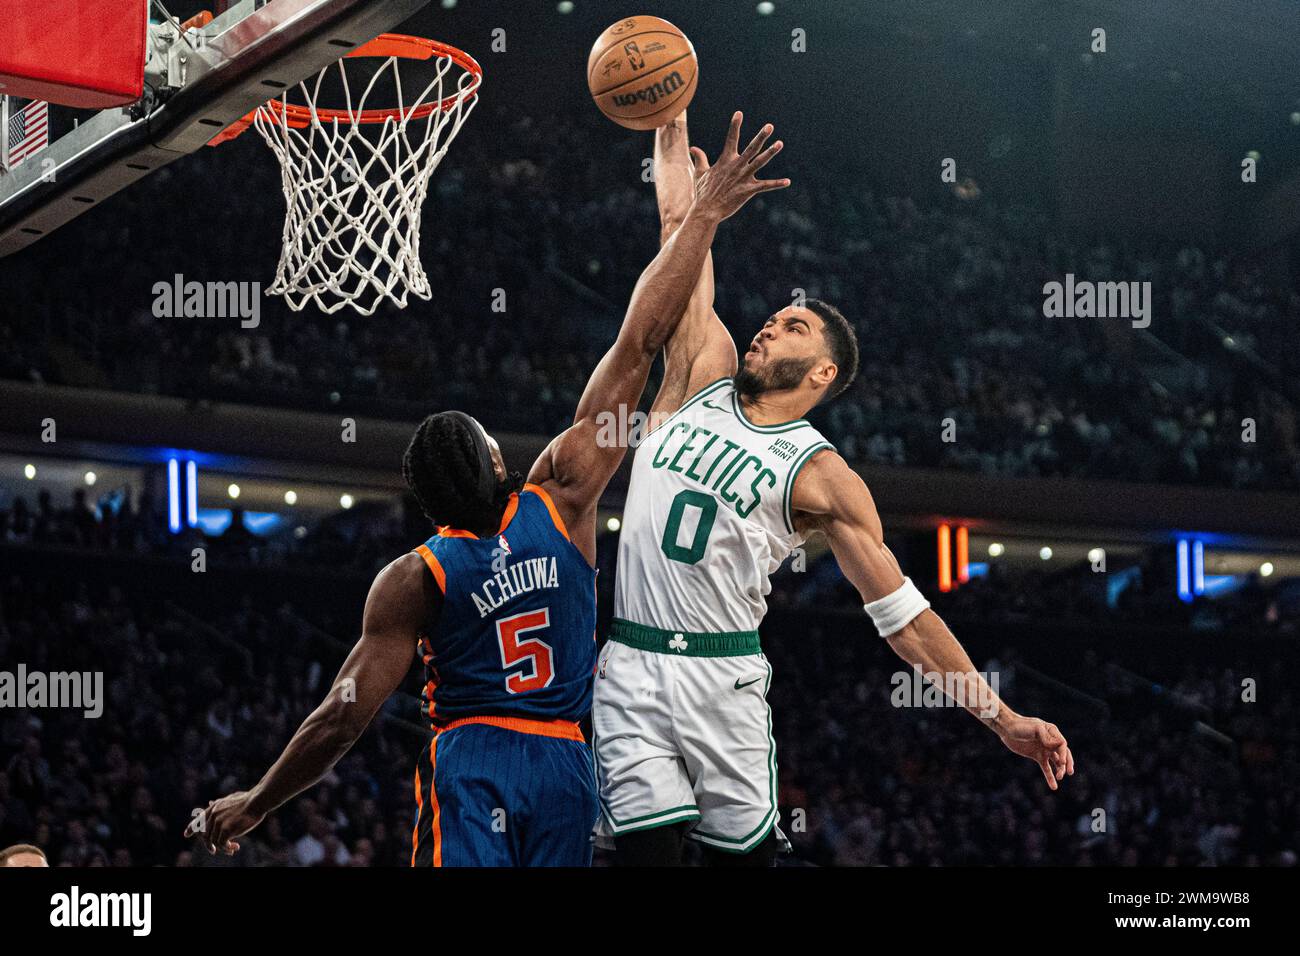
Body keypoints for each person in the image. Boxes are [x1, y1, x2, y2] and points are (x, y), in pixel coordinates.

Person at [186, 112, 789, 866]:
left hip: (471, 763)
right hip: (566, 765)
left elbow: (339, 722)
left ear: (428, 508)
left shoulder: (413, 577)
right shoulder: (562, 494)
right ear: (502, 465)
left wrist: (254, 802)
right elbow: (642, 337)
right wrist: (698, 212)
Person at [592, 111, 1075, 866]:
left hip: (725, 680)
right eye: (771, 319)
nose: (764, 329)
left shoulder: (823, 475)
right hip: (631, 664)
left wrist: (1003, 717)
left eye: (789, 327)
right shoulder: (699, 370)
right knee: (639, 857)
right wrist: (669, 114)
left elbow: (904, 619)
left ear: (821, 374)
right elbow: (678, 232)